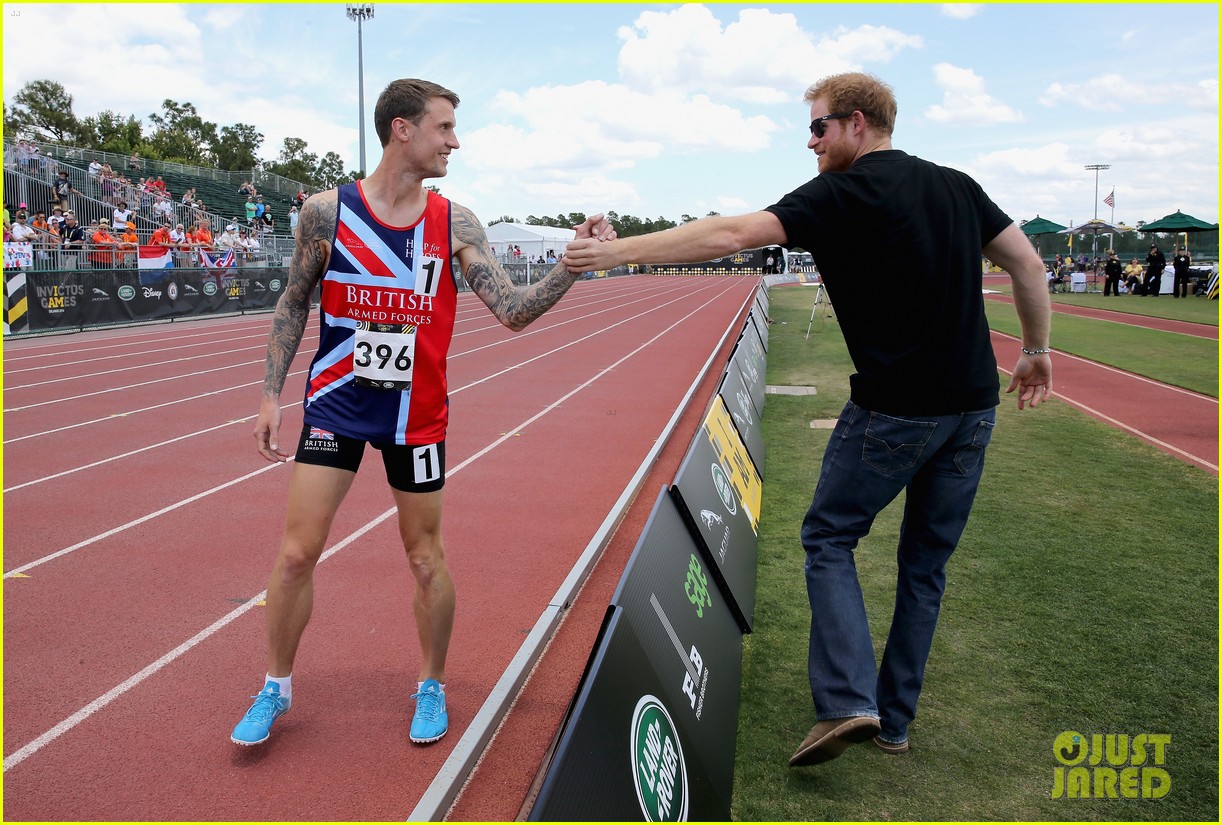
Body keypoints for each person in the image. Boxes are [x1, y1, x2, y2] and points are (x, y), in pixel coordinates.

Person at [564, 71, 1052, 767]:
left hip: (895, 409)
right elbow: (1028, 266)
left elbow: (728, 234)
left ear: (858, 123)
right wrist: (1035, 352)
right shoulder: (957, 184)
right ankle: (894, 722)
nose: (811, 141)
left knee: (828, 536)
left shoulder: (844, 191)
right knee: (924, 568)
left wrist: (614, 253)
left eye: (819, 127)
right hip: (973, 409)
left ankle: (850, 699)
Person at [229, 78, 615, 749]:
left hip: (417, 414)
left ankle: (431, 682)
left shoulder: (455, 222)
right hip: (338, 404)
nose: (455, 142)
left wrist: (571, 266)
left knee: (426, 558)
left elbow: (514, 311)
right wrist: (270, 392)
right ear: (403, 130)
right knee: (295, 554)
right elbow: (295, 300)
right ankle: (276, 685)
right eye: (445, 128)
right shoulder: (326, 213)